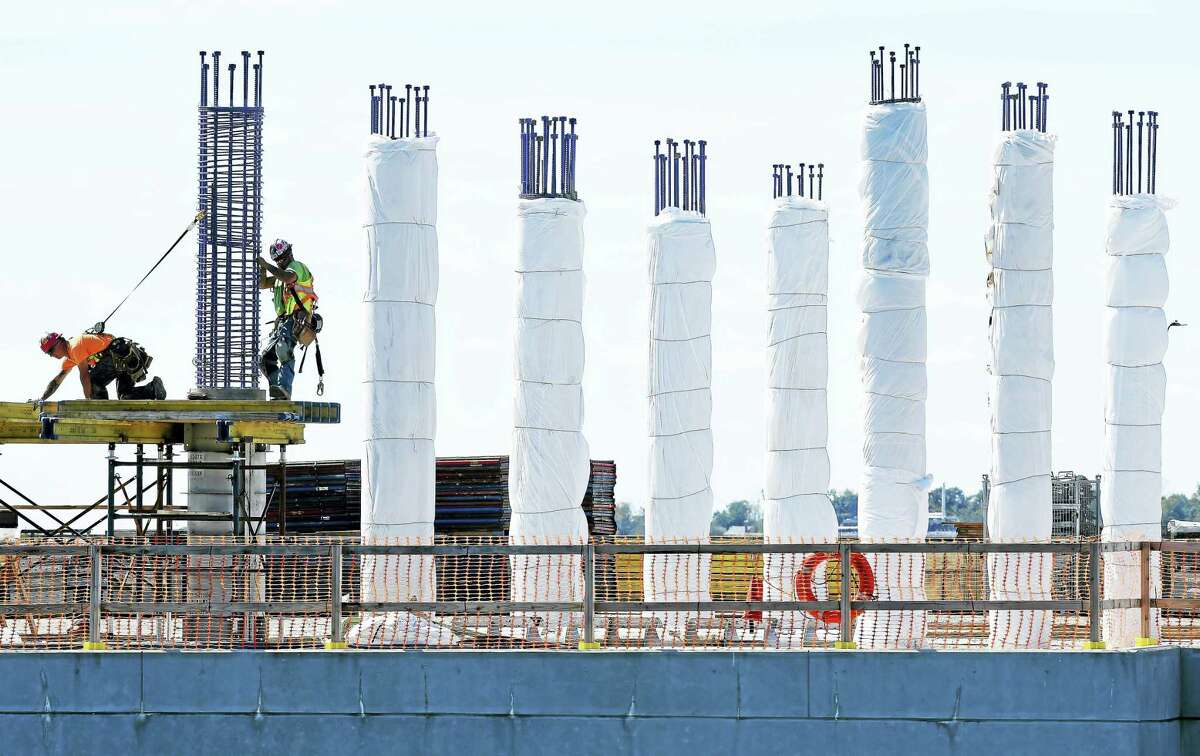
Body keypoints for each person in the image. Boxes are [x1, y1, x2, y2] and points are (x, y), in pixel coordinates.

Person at [258, 238, 318, 400]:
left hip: (297, 318)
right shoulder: (280, 275)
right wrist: (261, 267)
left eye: (282, 259)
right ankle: (277, 389)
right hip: (283, 321)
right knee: (265, 358)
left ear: (289, 254)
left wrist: (266, 266)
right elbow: (262, 284)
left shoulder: (297, 267)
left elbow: (288, 278)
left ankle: (284, 389)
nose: (280, 263)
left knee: (283, 349)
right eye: (277, 261)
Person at [37, 331, 165, 401]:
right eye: (48, 353)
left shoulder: (75, 346)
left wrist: (88, 401)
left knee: (93, 380)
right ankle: (153, 388)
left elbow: (84, 377)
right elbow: (56, 381)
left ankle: (100, 406)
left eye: (51, 350)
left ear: (59, 342)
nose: (51, 355)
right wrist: (41, 399)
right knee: (126, 397)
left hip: (118, 357)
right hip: (124, 361)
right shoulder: (70, 358)